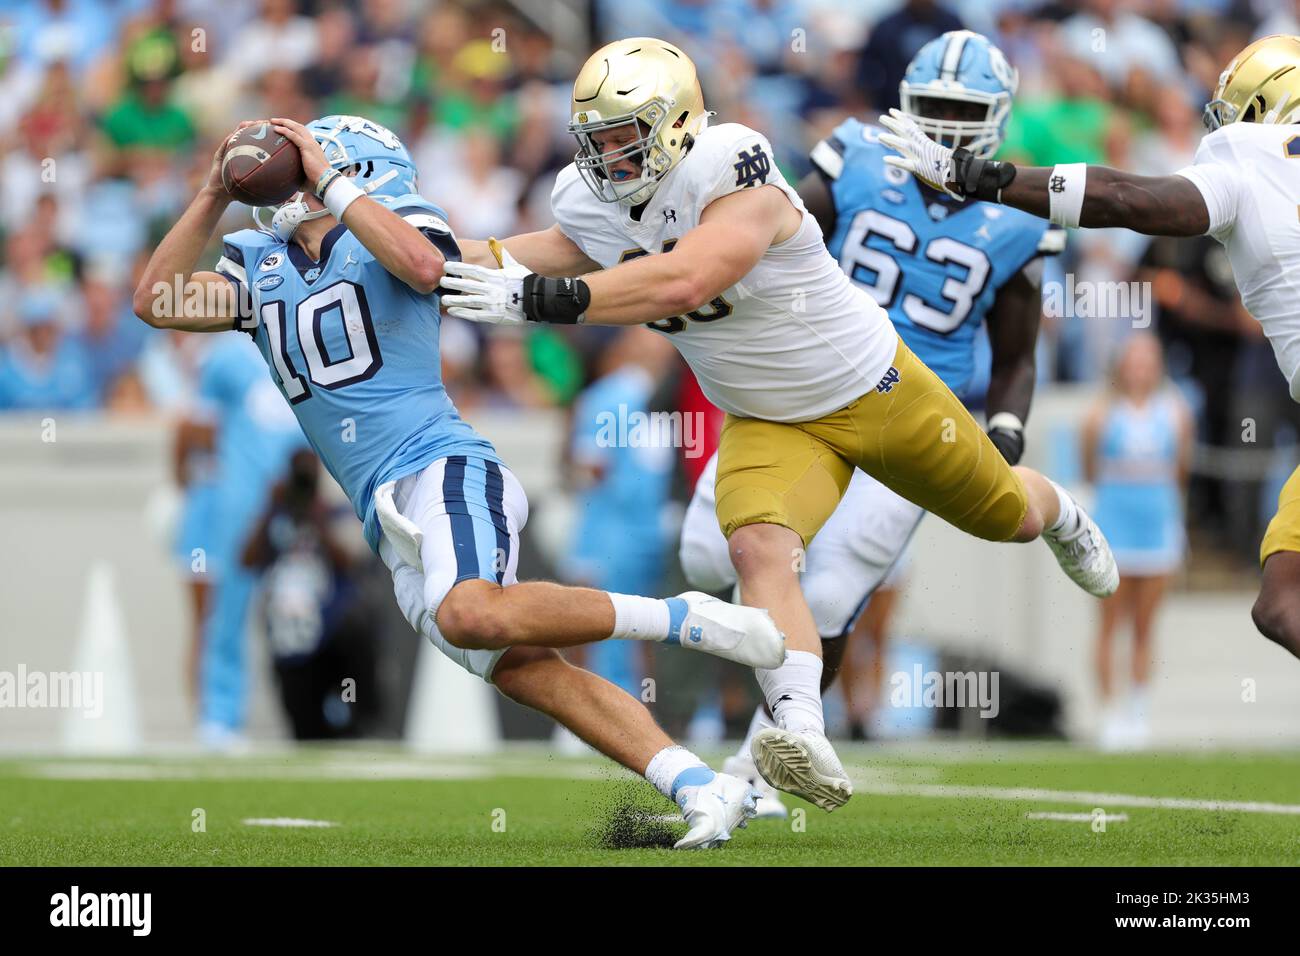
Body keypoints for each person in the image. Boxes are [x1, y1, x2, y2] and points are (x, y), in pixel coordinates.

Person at [441, 37, 1118, 814]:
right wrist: (413, 251)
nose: (611, 154)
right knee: (756, 547)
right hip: (768, 416)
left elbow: (688, 274)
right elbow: (518, 252)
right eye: (601, 138)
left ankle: (1060, 509)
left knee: (1012, 516)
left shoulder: (736, 163)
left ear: (678, 124)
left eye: (629, 135)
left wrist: (541, 300)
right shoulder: (587, 201)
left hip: (875, 389)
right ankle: (799, 729)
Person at [133, 113, 784, 850]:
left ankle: (682, 618)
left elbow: (423, 267)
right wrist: (212, 193)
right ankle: (701, 786)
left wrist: (330, 181)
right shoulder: (258, 263)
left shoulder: (397, 222)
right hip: (383, 512)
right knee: (526, 669)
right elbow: (156, 303)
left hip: (440, 464)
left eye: (313, 154)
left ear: (347, 166)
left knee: (472, 615)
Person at [676, 31, 1065, 815]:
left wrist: (1008, 429)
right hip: (807, 382)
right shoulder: (854, 154)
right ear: (906, 107)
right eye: (936, 111)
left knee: (833, 592)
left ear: (994, 120)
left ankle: (760, 765)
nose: (949, 129)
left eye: (966, 113)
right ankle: (758, 718)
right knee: (705, 555)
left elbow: (1017, 351)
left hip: (913, 412)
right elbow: (770, 231)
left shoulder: (1020, 213)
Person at [877, 33, 1300, 662]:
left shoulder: (1253, 153)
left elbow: (1125, 199)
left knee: (1284, 602)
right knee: (1280, 600)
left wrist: (981, 177)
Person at [1082, 334, 1192, 749]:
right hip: (1115, 526)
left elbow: (1179, 470)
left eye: (1148, 361)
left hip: (1156, 526)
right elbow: (1091, 468)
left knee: (1145, 626)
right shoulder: (1100, 414)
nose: (1140, 369)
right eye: (1134, 360)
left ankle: (1139, 710)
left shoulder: (1176, 412)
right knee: (1110, 623)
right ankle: (1109, 714)